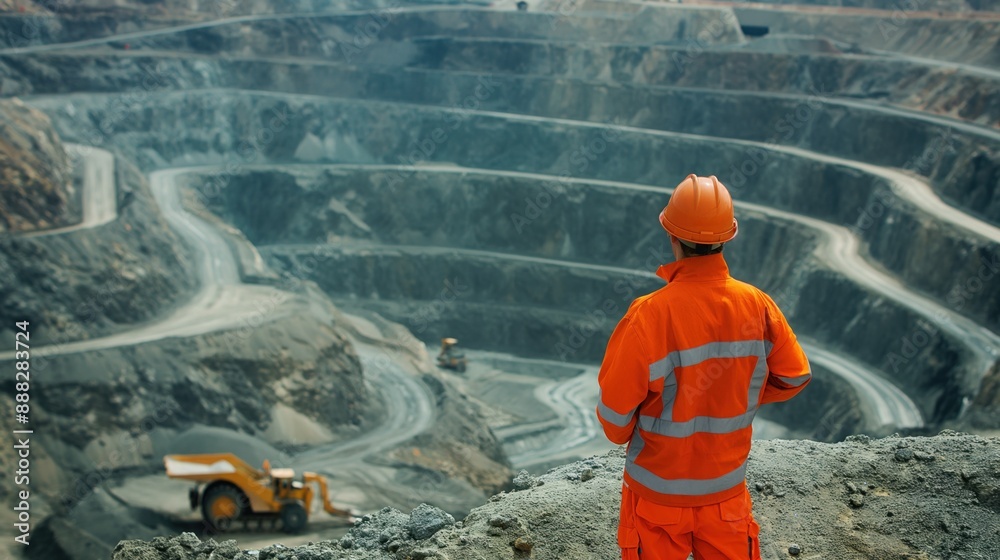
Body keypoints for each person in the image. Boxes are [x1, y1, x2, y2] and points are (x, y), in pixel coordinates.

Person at [596, 174, 812, 560]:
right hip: (725, 497)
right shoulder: (757, 305)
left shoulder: (648, 316)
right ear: (726, 238)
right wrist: (733, 394)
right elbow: (794, 376)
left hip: (656, 499)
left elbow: (614, 423)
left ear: (671, 237)